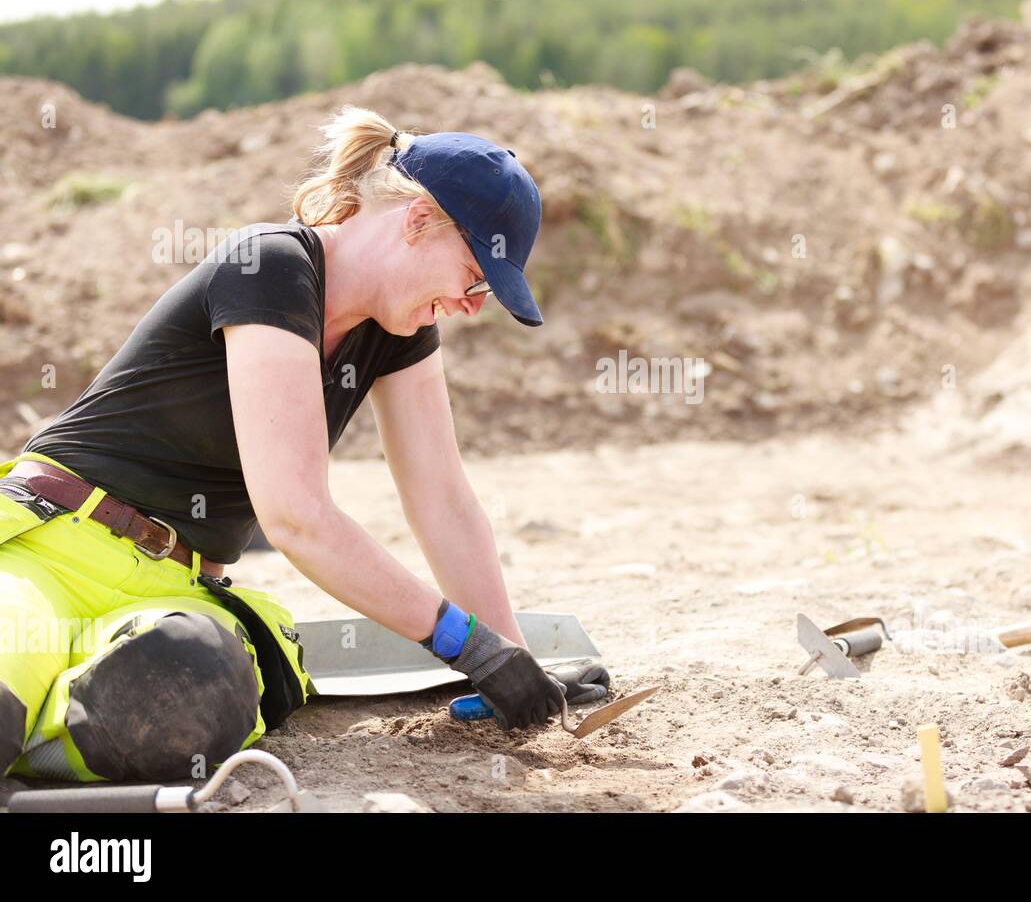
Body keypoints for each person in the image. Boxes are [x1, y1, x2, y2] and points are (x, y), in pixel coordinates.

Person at [0, 106, 603, 784]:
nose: (472, 304)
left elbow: (443, 498)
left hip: (172, 590)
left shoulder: (398, 330)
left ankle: (37, 727)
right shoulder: (274, 266)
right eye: (474, 276)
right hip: (50, 550)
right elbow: (295, 515)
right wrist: (467, 644)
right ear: (417, 221)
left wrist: (509, 662)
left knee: (190, 695)